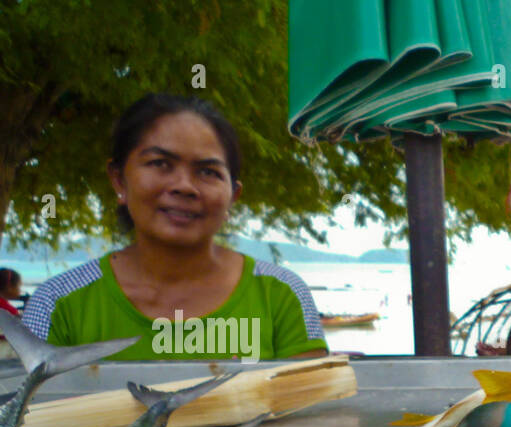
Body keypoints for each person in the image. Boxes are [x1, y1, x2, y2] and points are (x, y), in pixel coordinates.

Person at [23, 94, 326, 360]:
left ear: (233, 196)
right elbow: (21, 420)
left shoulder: (280, 295)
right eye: (159, 163)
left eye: (208, 171)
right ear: (119, 180)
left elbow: (313, 418)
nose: (184, 186)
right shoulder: (58, 304)